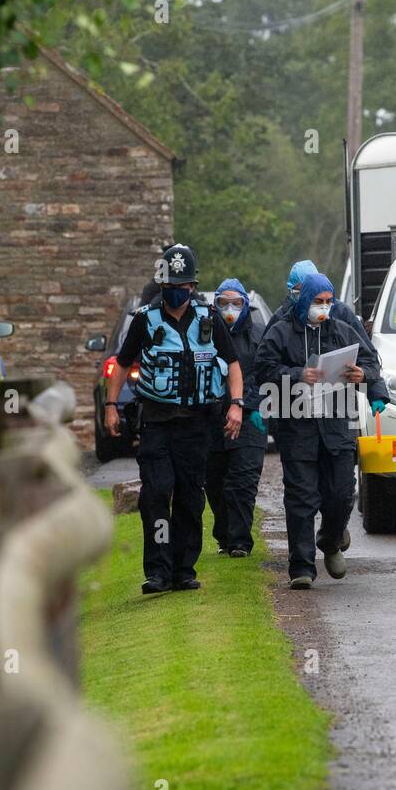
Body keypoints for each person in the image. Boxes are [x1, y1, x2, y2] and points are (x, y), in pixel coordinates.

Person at [105, 244, 245, 594]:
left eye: (182, 285)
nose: (177, 291)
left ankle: (184, 568)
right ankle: (158, 571)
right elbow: (122, 363)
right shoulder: (144, 320)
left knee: (189, 497)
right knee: (156, 494)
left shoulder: (209, 319)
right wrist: (110, 405)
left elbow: (232, 364)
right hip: (156, 422)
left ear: (193, 285)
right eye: (170, 285)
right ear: (162, 286)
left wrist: (236, 404)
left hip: (197, 425)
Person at [257, 273, 380, 589]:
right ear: (304, 302)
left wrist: (362, 376)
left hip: (337, 425)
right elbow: (264, 371)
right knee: (301, 497)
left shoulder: (343, 332)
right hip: (297, 427)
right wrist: (298, 375)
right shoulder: (281, 333)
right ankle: (301, 566)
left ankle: (330, 537)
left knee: (341, 492)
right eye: (317, 302)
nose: (323, 308)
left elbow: (370, 363)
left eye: (328, 302)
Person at [204, 278, 267, 557]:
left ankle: (240, 540)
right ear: (215, 305)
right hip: (212, 417)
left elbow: (266, 374)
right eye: (224, 303)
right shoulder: (203, 334)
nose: (230, 309)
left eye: (236, 303)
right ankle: (225, 535)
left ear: (246, 305)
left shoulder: (260, 336)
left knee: (242, 480)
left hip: (250, 416)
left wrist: (249, 406)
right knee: (215, 479)